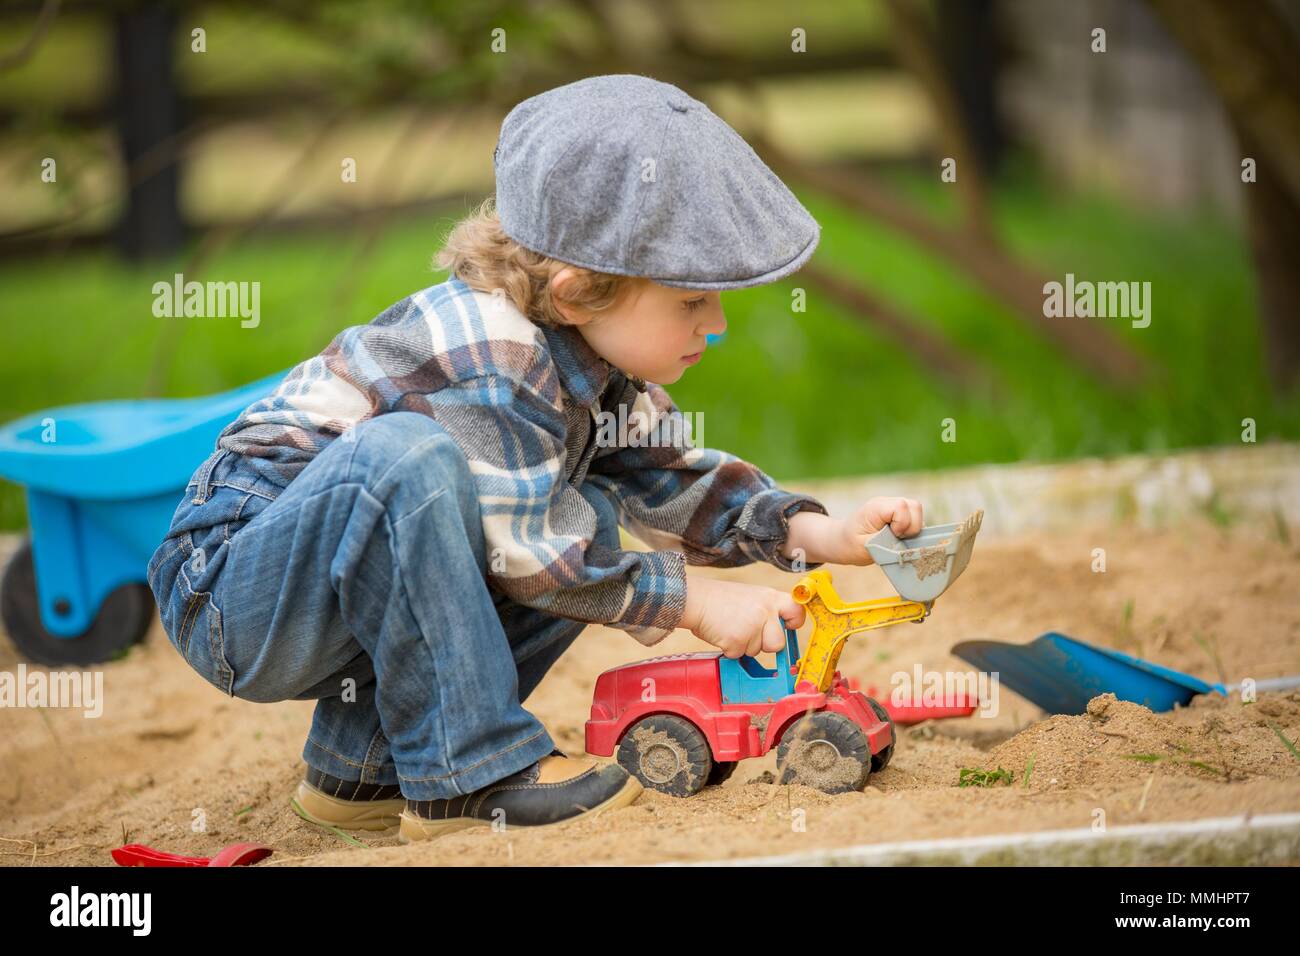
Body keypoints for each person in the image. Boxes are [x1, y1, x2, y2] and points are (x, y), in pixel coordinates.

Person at [147, 74, 925, 844]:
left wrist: (823, 534)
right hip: (234, 591)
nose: (715, 324)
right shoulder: (496, 354)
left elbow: (673, 479)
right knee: (420, 466)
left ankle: (362, 774)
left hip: (340, 593)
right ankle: (471, 775)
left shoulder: (595, 363)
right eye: (691, 300)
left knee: (584, 509)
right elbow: (533, 555)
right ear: (578, 291)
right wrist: (691, 601)